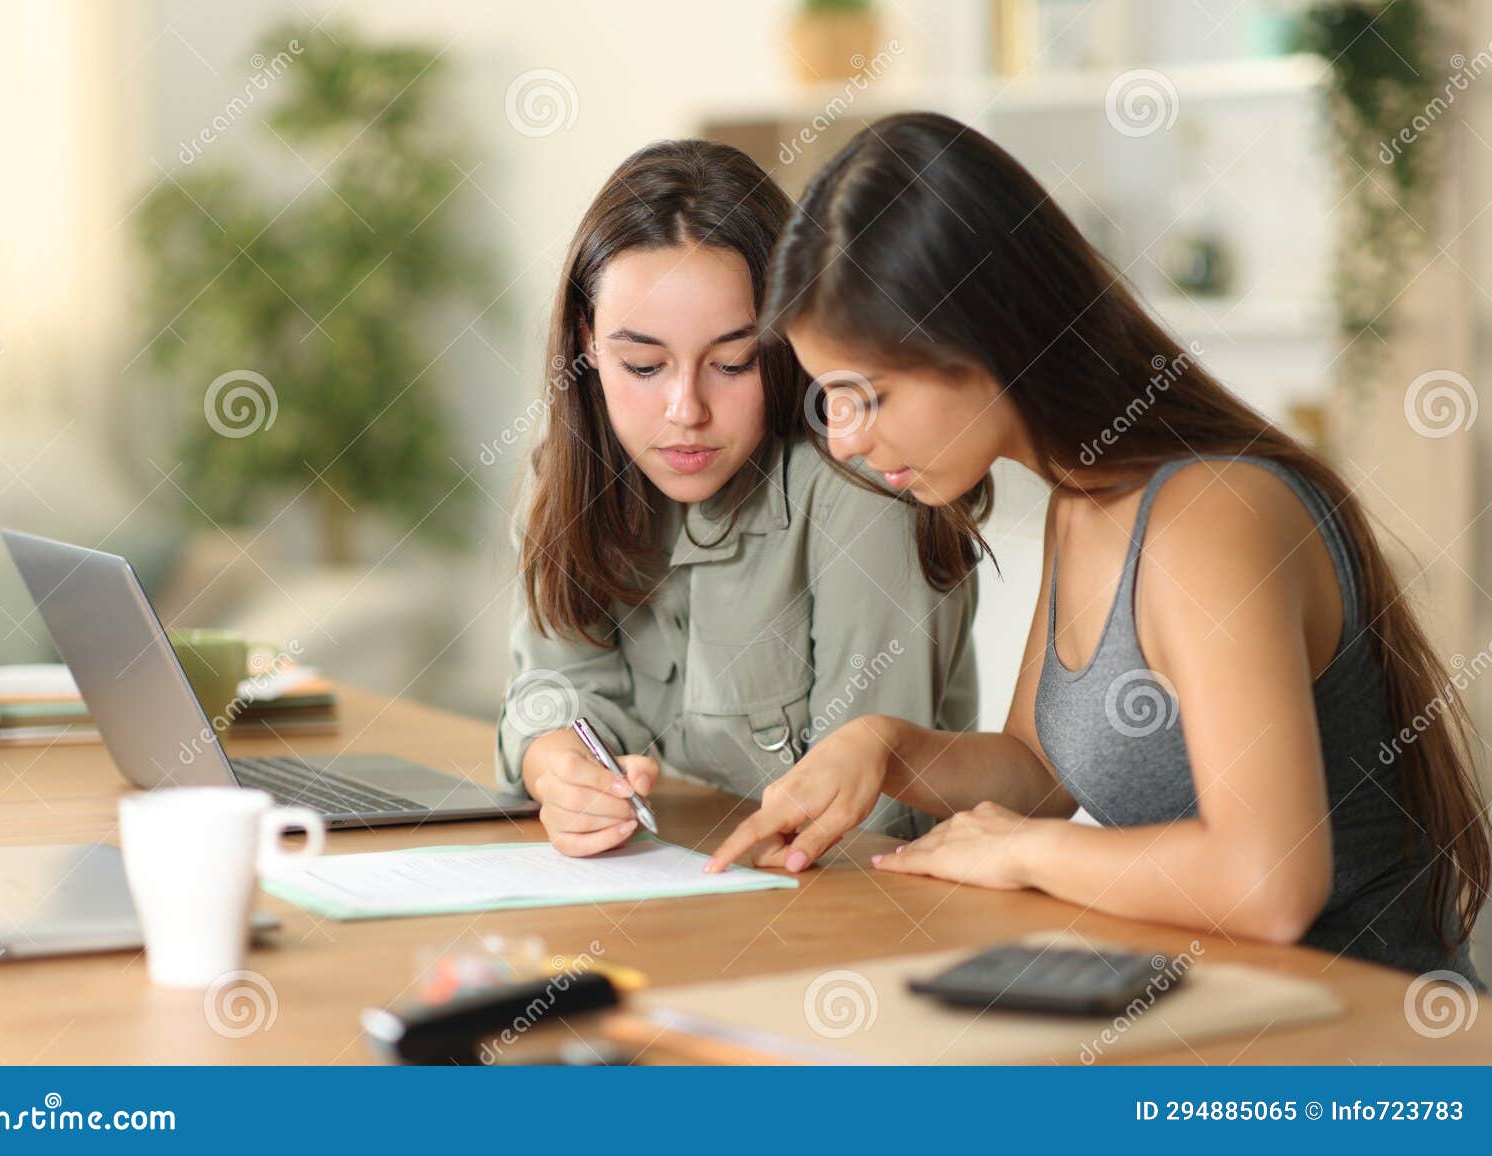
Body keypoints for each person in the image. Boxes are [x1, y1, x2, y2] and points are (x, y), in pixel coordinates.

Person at [709, 112, 1487, 981]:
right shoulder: (1082, 501)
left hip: (1362, 1057)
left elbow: (1268, 883)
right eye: (828, 398)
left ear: (980, 338)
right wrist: (885, 747)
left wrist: (1026, 855)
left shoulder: (1208, 517)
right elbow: (1043, 772)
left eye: (867, 395)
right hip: (1215, 1017)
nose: (842, 438)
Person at [495, 138, 980, 859]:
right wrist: (558, 767)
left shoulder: (865, 491)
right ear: (587, 345)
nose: (685, 409)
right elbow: (555, 691)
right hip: (677, 886)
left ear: (787, 342)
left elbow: (869, 830)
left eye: (732, 362)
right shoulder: (567, 474)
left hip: (849, 916)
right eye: (643, 364)